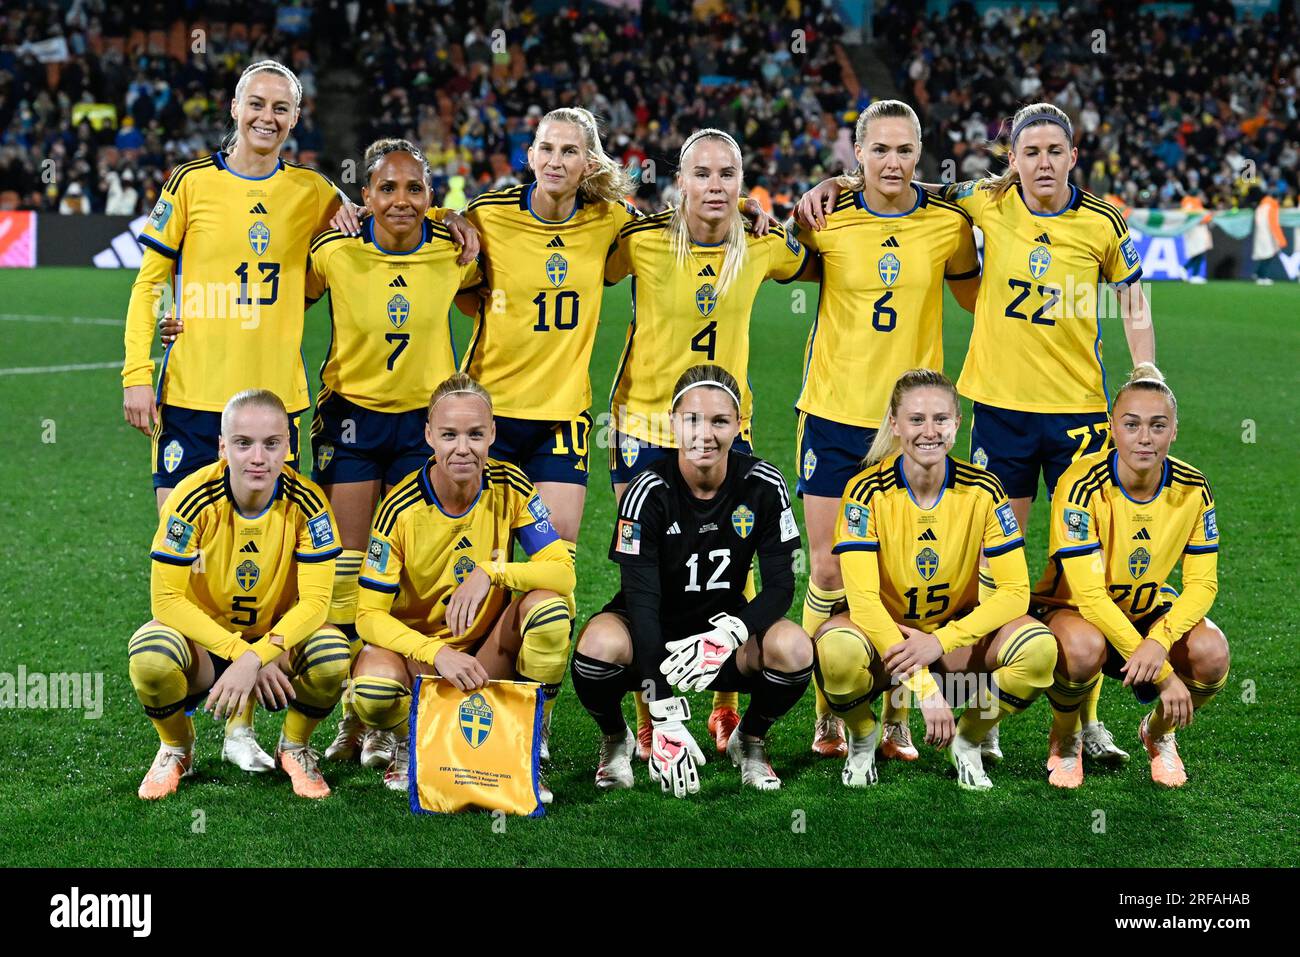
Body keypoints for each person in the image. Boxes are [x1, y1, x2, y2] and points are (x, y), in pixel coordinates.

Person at [797, 102, 1154, 761]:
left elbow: (1124, 295)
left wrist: (1147, 366)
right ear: (1011, 159)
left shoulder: (1072, 219)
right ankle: (851, 712)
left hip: (1053, 413)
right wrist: (834, 185)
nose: (1042, 162)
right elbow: (898, 186)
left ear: (1073, 157)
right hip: (950, 413)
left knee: (1073, 568)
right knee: (872, 567)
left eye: (1054, 151)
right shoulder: (956, 205)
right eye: (1030, 152)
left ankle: (1056, 723)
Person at [603, 127, 812, 756]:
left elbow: (815, 244)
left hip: (728, 428)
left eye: (727, 174)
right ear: (680, 183)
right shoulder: (640, 241)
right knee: (651, 575)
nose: (714, 185)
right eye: (701, 173)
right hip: (643, 424)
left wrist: (826, 188)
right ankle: (650, 708)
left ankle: (725, 704)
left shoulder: (765, 247)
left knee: (734, 567)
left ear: (742, 185)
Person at [788, 100, 980, 762]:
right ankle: (830, 714)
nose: (892, 162)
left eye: (904, 150)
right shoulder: (826, 220)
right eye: (880, 150)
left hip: (909, 424)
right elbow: (783, 252)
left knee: (897, 575)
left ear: (918, 156)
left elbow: (973, 293)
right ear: (858, 155)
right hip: (834, 414)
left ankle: (897, 713)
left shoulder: (948, 225)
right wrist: (821, 192)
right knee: (830, 566)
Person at [302, 139, 482, 766]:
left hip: (422, 427)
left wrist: (457, 223)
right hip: (350, 420)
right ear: (366, 195)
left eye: (415, 189)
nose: (401, 199)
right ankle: (355, 715)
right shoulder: (334, 250)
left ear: (432, 198)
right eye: (387, 188)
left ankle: (398, 719)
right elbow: (279, 296)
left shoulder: (453, 250)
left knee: (407, 576)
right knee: (348, 573)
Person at [571, 365, 813, 797]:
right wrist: (663, 711)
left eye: (720, 421)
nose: (705, 434)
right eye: (693, 420)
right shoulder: (647, 491)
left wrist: (731, 632)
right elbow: (641, 604)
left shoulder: (763, 483)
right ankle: (615, 738)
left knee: (794, 647)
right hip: (652, 635)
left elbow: (781, 586)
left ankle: (751, 740)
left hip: (723, 638)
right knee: (596, 647)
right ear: (672, 422)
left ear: (738, 426)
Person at [816, 368, 1056, 790]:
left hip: (951, 646)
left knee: (1038, 650)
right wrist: (925, 690)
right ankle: (862, 735)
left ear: (958, 423)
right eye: (916, 419)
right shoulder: (864, 491)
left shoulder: (985, 489)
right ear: (894, 424)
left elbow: (1016, 592)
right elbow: (865, 602)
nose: (930, 431)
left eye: (941, 419)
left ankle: (968, 740)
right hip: (881, 644)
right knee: (835, 650)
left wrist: (939, 642)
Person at [350, 374, 576, 800]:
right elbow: (368, 616)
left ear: (492, 434)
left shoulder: (511, 484)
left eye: (475, 434)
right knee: (373, 688)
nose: (462, 448)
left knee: (549, 607)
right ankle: (410, 741)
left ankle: (528, 734)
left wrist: (494, 572)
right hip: (422, 662)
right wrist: (438, 653)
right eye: (449, 435)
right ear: (429, 436)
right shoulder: (399, 508)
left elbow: (564, 573)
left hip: (486, 657)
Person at [128, 389, 347, 800]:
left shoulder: (309, 504)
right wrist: (241, 655)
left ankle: (295, 746)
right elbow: (166, 601)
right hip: (208, 649)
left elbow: (316, 604)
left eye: (271, 443)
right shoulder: (190, 499)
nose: (258, 458)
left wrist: (259, 655)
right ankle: (176, 748)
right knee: (150, 651)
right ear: (222, 447)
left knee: (332, 655)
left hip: (276, 649)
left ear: (288, 446)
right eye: (244, 444)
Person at [1034, 365, 1228, 788]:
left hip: (1144, 610)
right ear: (1112, 428)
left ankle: (1158, 734)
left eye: (1158, 425)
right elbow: (1088, 595)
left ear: (1174, 430)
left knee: (1212, 653)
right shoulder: (1080, 483)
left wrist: (1159, 640)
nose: (1145, 437)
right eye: (1132, 424)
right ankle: (1066, 738)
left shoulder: (1194, 488)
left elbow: (1202, 584)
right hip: (1071, 611)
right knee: (1084, 647)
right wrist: (1163, 673)